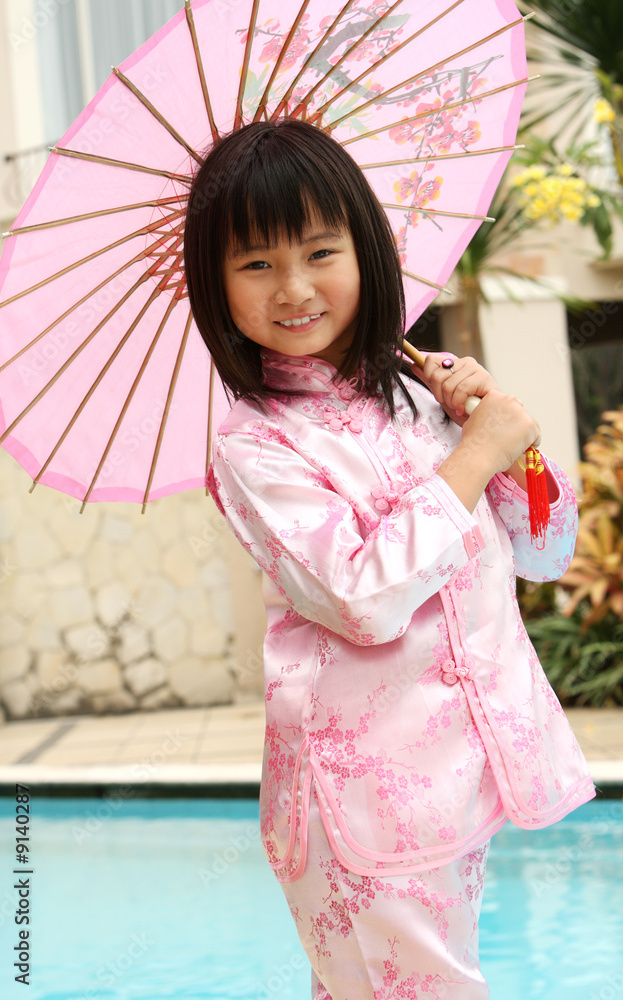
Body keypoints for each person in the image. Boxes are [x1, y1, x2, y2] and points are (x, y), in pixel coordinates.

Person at [183, 118, 595, 1000]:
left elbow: (545, 552)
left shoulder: (420, 391)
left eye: (319, 252)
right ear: (216, 286)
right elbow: (360, 599)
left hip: (459, 767)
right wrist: (474, 456)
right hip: (361, 792)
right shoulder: (255, 443)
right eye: (255, 263)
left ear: (365, 249)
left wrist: (505, 438)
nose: (294, 288)